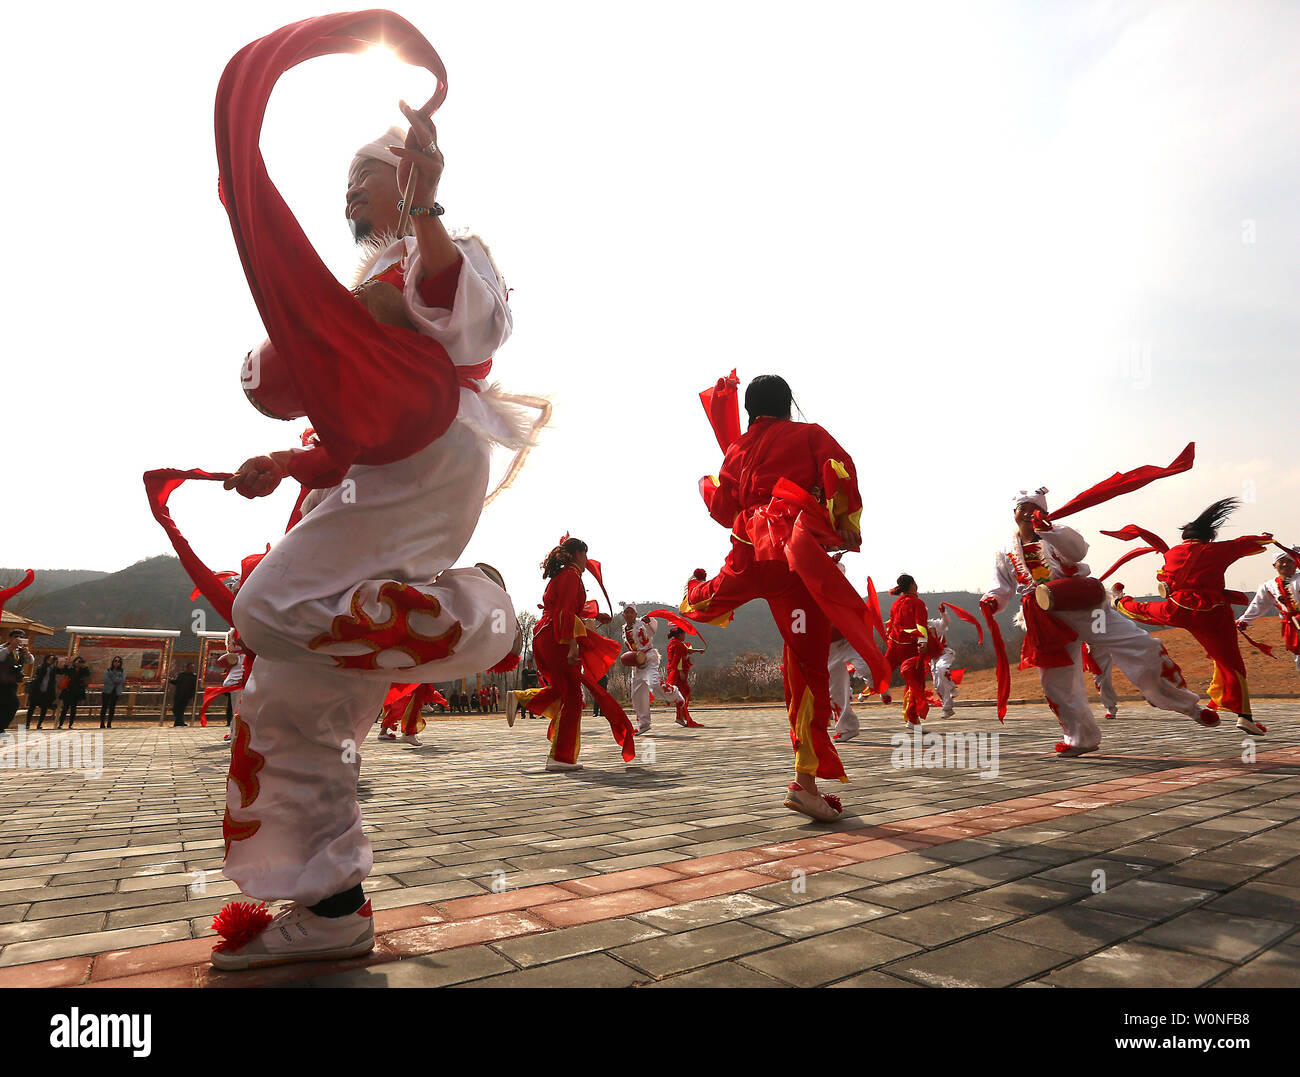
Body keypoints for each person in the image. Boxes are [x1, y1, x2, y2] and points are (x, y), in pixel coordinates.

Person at [207, 92, 533, 971]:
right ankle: (329, 905)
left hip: (428, 462)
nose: (349, 193)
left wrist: (427, 206)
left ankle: (483, 614)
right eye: (345, 181)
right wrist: (284, 464)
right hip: (371, 471)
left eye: (365, 177)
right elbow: (346, 428)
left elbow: (465, 315)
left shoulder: (444, 253)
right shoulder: (364, 282)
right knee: (287, 697)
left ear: (409, 180)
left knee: (266, 606)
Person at [682, 374, 872, 822]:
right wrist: (845, 524)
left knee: (715, 595)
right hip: (793, 557)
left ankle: (696, 598)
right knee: (807, 667)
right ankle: (805, 782)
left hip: (749, 554)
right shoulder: (810, 435)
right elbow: (840, 471)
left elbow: (723, 506)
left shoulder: (738, 448)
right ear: (789, 403)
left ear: (751, 411)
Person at [983, 488, 1214, 758]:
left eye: (1033, 507)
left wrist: (1048, 530)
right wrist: (992, 601)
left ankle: (1189, 706)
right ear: (1013, 513)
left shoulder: (1058, 532)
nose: (1026, 512)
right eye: (1021, 507)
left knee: (1141, 644)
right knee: (1057, 682)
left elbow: (1078, 552)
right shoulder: (1004, 551)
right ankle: (1080, 739)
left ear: (1043, 511)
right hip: (1046, 619)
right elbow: (1001, 587)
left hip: (1085, 609)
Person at [1112, 498, 1272, 736]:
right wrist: (1265, 538)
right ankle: (1244, 717)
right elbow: (1240, 544)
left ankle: (1118, 600)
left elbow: (1166, 580)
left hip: (1178, 609)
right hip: (1212, 613)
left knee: (1144, 610)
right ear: (1209, 537)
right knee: (1231, 661)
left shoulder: (1172, 553)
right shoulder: (1214, 550)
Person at [512, 538, 636, 770]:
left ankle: (521, 699)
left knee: (563, 691)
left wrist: (596, 617)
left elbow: (567, 609)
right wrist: (571, 644)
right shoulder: (571, 577)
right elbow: (565, 612)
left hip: (545, 635)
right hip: (557, 637)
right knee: (573, 698)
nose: (587, 560)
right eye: (585, 555)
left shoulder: (560, 577)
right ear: (577, 554)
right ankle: (560, 757)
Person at [619, 606, 686, 734]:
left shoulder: (642, 623)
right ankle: (644, 724)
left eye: (631, 612)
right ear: (623, 615)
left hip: (649, 658)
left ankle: (676, 694)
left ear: (635, 614)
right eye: (626, 612)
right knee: (637, 695)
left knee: (654, 685)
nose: (628, 614)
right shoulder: (624, 629)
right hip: (637, 661)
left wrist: (649, 621)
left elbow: (653, 630)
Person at [1238, 546, 1300, 682]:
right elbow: (1258, 604)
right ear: (1274, 565)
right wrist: (1244, 621)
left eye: (1289, 561)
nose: (1285, 564)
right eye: (1281, 561)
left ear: (1296, 562)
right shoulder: (1269, 586)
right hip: (1293, 626)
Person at [882, 575, 933, 728]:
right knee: (915, 682)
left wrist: (890, 637)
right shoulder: (917, 603)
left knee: (884, 669)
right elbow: (920, 623)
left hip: (894, 644)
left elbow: (890, 623)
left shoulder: (896, 603)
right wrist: (923, 641)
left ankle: (879, 688)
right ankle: (912, 718)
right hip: (910, 646)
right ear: (912, 585)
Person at [664, 626, 704, 727]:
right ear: (680, 635)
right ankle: (680, 716)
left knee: (681, 694)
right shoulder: (679, 645)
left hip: (672, 671)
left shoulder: (673, 643)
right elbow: (678, 659)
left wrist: (698, 651)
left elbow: (686, 651)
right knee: (684, 694)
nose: (685, 635)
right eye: (684, 634)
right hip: (677, 673)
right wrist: (681, 671)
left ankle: (680, 717)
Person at [928, 604, 960, 719]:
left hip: (944, 653)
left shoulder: (933, 624)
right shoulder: (914, 628)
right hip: (932, 659)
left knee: (941, 669)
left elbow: (945, 622)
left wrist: (943, 612)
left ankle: (952, 687)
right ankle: (948, 708)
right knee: (938, 686)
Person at [0, 630, 34, 735]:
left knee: (11, 704)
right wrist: (11, 647)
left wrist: (27, 653)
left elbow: (30, 660)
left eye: (21, 637)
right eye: (16, 637)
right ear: (9, 638)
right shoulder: (3, 648)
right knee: (11, 704)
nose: (18, 639)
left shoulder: (20, 651)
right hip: (1, 681)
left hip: (11, 682)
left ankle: (1, 728)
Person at [25, 654, 60, 730]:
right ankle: (27, 724)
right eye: (50, 659)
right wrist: (48, 664)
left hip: (47, 691)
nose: (51, 661)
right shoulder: (41, 667)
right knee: (32, 708)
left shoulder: (53, 668)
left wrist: (61, 664)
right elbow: (41, 672)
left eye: (53, 660)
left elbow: (61, 671)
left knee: (44, 708)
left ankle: (39, 724)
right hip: (37, 691)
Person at [56, 657, 91, 729]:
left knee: (73, 708)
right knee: (65, 708)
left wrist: (85, 665)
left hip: (77, 691)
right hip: (68, 690)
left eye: (80, 662)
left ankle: (70, 724)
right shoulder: (70, 668)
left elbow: (88, 674)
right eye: (77, 661)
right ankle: (60, 723)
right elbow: (64, 671)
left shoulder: (83, 670)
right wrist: (66, 664)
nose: (78, 663)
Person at [98, 656, 126, 729]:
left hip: (115, 691)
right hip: (107, 691)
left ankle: (109, 723)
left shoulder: (122, 671)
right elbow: (106, 680)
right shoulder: (108, 670)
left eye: (119, 661)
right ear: (113, 662)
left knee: (112, 708)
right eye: (115, 661)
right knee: (104, 707)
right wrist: (116, 679)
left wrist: (113, 677)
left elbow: (121, 680)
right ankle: (102, 723)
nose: (117, 663)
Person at [169, 662, 198, 726]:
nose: (191, 669)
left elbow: (194, 687)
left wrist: (192, 696)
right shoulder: (181, 675)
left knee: (181, 709)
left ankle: (178, 722)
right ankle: (180, 722)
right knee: (175, 709)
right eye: (190, 667)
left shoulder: (194, 676)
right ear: (186, 668)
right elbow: (176, 682)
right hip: (179, 694)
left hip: (187, 695)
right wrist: (170, 680)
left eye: (192, 668)